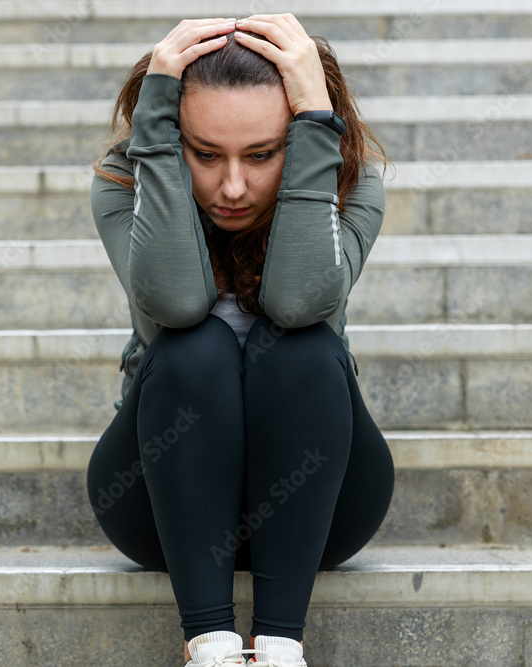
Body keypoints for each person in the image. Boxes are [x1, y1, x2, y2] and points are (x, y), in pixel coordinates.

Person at [86, 14, 395, 667]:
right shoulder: (125, 182)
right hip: (163, 507)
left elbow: (299, 300)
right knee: (191, 345)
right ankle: (212, 646)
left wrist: (315, 125)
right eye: (204, 154)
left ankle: (281, 647)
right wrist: (158, 142)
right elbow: (175, 301)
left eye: (261, 154)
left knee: (302, 345)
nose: (231, 187)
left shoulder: (350, 182)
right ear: (172, 137)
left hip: (325, 509)